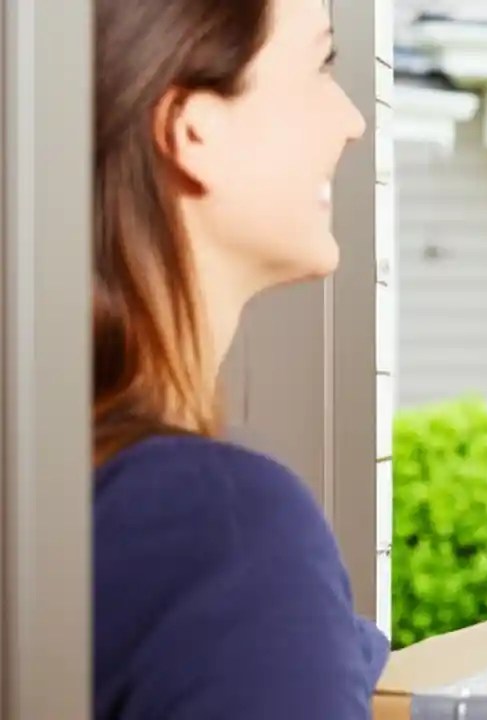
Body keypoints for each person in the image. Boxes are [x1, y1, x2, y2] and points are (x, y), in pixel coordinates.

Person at [92, 0, 380, 717]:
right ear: (194, 130)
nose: (351, 121)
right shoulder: (220, 531)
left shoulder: (75, 496)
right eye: (319, 65)